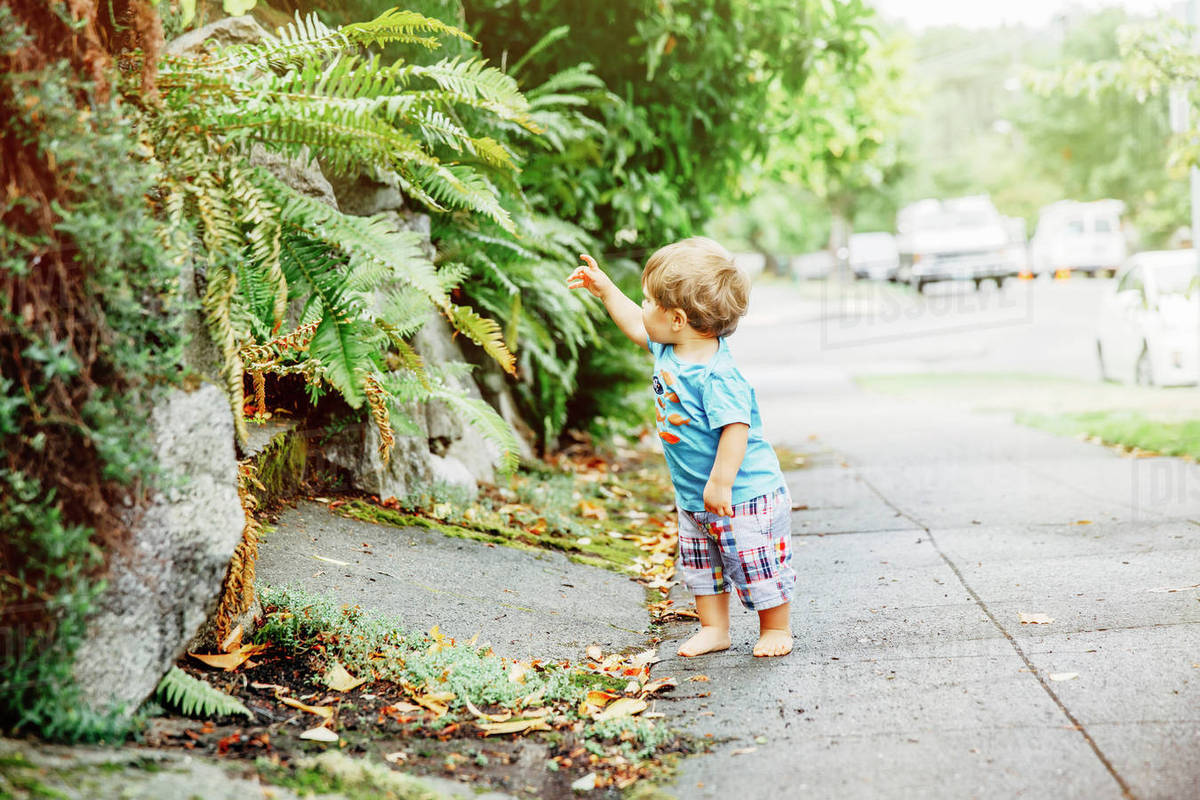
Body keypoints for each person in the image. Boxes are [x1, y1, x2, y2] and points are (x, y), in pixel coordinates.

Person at [567, 237, 795, 657]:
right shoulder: (670, 347)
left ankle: (776, 628)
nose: (642, 306)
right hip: (694, 495)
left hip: (742, 495)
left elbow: (736, 428)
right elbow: (636, 324)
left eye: (648, 299)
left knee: (755, 561)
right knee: (701, 564)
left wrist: (721, 482)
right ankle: (715, 628)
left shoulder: (716, 374)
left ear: (676, 318)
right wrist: (605, 290)